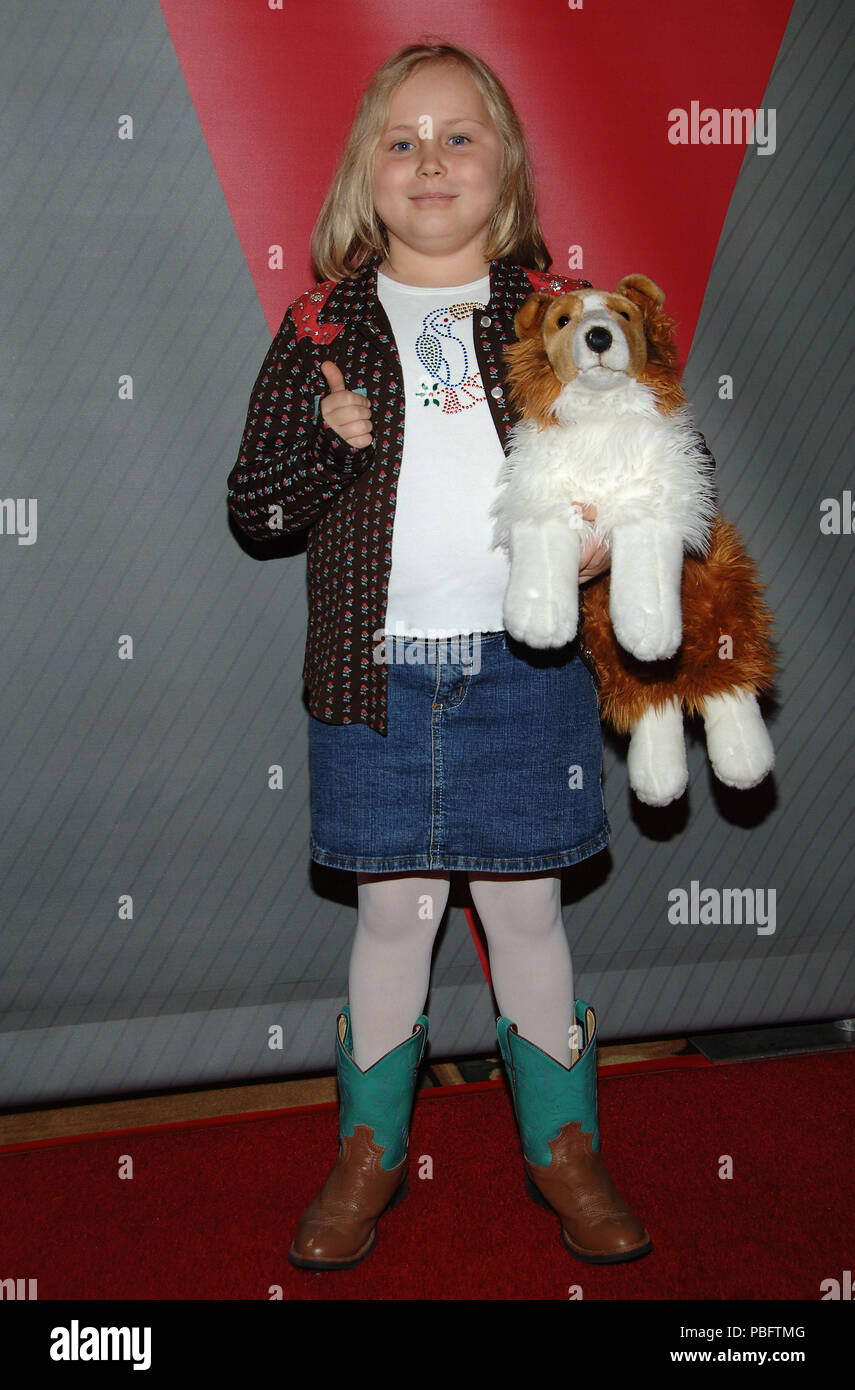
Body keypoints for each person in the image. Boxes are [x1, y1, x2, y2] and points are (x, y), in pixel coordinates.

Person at [227, 39, 654, 1270]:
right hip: (372, 683)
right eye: (400, 139)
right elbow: (254, 507)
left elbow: (666, 465)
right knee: (395, 920)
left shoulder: (560, 317)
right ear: (364, 174)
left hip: (525, 679)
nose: (430, 160)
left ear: (507, 168)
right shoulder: (319, 326)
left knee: (526, 916)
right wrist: (326, 442)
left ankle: (564, 1151)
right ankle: (368, 1157)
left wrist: (607, 536)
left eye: (459, 136)